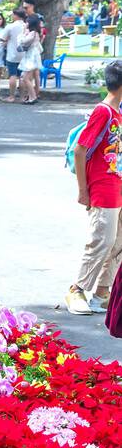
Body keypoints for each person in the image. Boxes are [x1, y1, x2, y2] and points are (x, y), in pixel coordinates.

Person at [67, 61, 122, 315]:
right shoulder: (103, 112)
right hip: (102, 186)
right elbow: (80, 149)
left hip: (117, 185)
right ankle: (77, 289)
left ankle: (102, 291)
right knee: (101, 240)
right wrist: (83, 190)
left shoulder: (118, 112)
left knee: (117, 242)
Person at [18, 14, 44, 104]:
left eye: (27, 22)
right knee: (27, 77)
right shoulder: (35, 33)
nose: (26, 23)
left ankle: (32, 97)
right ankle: (31, 96)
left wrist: (23, 32)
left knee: (25, 78)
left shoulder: (32, 33)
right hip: (32, 56)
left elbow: (22, 41)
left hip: (31, 57)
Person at [2, 9, 27, 102]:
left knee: (12, 75)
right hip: (24, 54)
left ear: (16, 15)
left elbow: (3, 39)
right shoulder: (26, 26)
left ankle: (11, 96)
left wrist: (7, 40)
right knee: (22, 76)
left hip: (12, 54)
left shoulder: (10, 26)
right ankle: (22, 97)